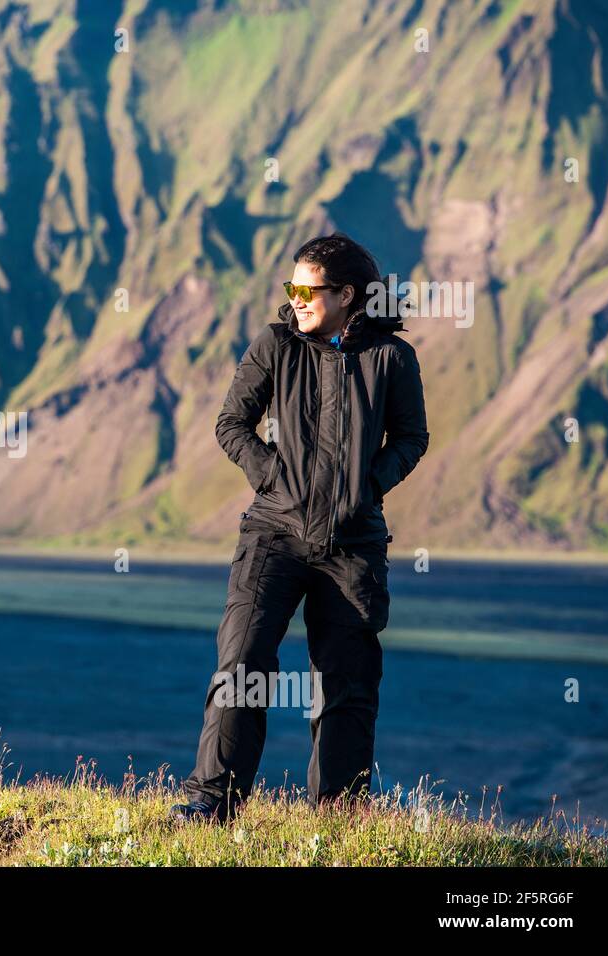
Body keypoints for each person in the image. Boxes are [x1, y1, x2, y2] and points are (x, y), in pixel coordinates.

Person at [171, 233, 429, 824]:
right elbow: (231, 422)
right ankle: (212, 801)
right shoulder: (276, 344)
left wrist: (368, 485)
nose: (296, 299)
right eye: (291, 288)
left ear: (345, 294)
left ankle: (337, 818)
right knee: (242, 662)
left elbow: (412, 437)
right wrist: (270, 476)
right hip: (273, 533)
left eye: (307, 289)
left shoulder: (391, 358)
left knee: (348, 682)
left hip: (354, 545)